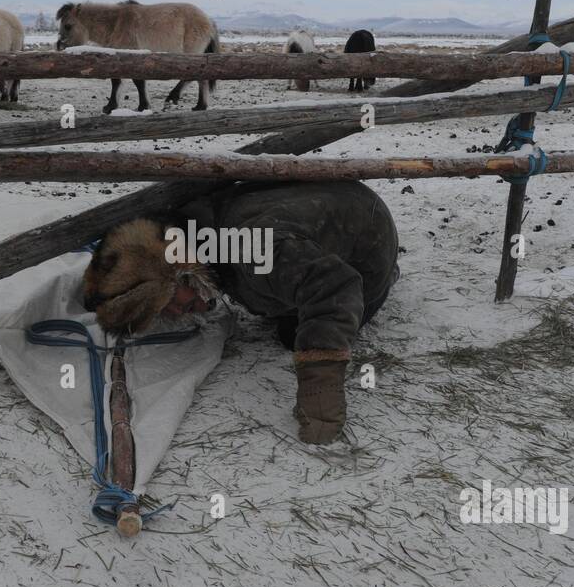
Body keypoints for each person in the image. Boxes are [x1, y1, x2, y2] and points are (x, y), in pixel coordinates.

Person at [83, 181, 399, 444]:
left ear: (174, 267)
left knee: (293, 332)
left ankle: (389, 275)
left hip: (367, 240)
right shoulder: (196, 227)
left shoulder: (254, 251)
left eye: (168, 302)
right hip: (331, 201)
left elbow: (336, 286)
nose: (180, 311)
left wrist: (321, 389)